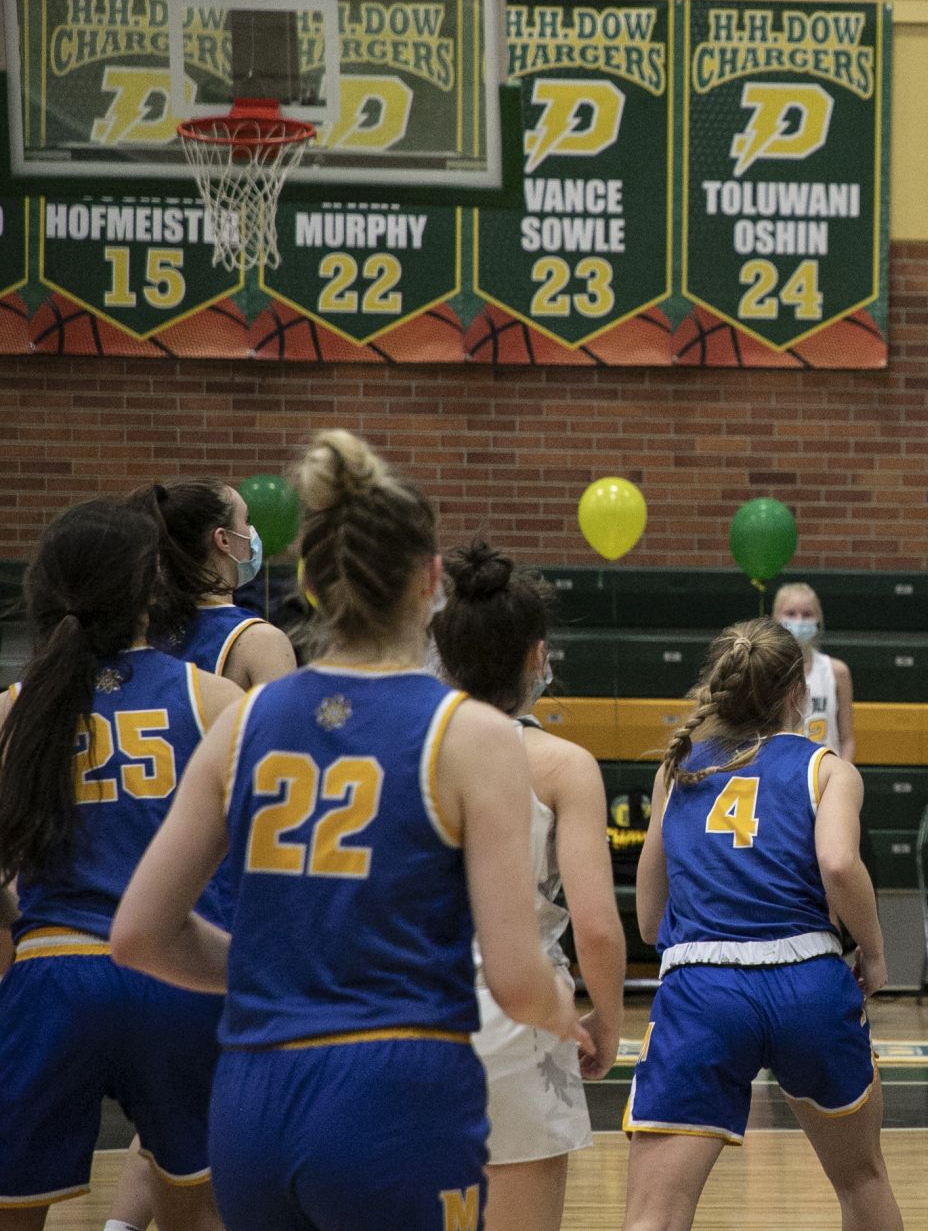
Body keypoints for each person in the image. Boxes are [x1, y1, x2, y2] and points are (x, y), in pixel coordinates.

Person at [111, 430, 581, 1231]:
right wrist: (567, 1014)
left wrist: (271, 967)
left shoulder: (243, 720)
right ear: (431, 582)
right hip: (397, 1085)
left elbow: (138, 934)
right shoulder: (472, 735)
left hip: (254, 1089)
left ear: (313, 581)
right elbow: (511, 973)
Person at [0, 500, 243, 1230]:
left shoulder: (15, 708)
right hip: (176, 979)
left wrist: (22, 939)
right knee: (192, 1210)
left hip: (51, 977)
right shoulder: (217, 700)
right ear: (153, 585)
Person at [623, 618, 900, 1231]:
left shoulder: (678, 769)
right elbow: (837, 862)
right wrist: (875, 952)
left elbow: (647, 921)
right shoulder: (827, 768)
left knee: (655, 1216)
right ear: (798, 693)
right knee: (862, 1180)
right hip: (808, 980)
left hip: (702, 987)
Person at [105, 480, 301, 1231]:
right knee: (224, 1114)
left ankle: (121, 1226)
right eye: (246, 525)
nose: (254, 539)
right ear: (223, 541)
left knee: (173, 1107)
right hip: (213, 902)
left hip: (115, 886)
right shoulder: (255, 641)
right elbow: (292, 782)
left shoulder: (132, 636)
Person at [433, 541, 628, 1231]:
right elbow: (598, 927)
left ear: (443, 655)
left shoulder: (400, 746)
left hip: (401, 1005)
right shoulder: (562, 765)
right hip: (519, 1018)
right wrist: (606, 1020)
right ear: (537, 657)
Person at [134, 480, 297, 689]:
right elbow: (281, 722)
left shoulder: (138, 628)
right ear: (223, 540)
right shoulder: (260, 641)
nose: (252, 531)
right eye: (247, 520)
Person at [774, 582, 856, 765]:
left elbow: (847, 739)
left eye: (807, 614)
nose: (799, 620)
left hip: (824, 776)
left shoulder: (837, 671)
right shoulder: (765, 670)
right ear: (775, 618)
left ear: (818, 620)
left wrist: (842, 777)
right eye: (790, 614)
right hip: (780, 774)